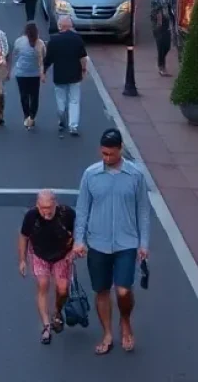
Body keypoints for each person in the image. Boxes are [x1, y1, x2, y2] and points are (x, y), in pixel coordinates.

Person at [74, 128, 151, 355]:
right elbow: (82, 210)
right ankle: (107, 333)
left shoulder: (135, 176)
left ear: (120, 150)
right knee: (102, 290)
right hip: (97, 243)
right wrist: (79, 240)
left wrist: (143, 244)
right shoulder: (90, 174)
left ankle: (125, 321)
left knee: (124, 291)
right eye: (103, 154)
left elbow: (143, 211)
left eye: (111, 154)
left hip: (127, 242)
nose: (106, 158)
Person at [19, 189, 77, 344]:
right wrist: (22, 260)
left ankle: (57, 312)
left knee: (63, 289)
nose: (46, 212)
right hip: (39, 255)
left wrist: (73, 251)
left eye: (49, 208)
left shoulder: (67, 214)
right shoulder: (31, 216)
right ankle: (46, 326)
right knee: (43, 284)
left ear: (55, 204)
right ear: (38, 206)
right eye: (43, 208)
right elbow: (24, 237)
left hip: (61, 255)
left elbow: (78, 232)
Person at [45, 15, 88, 137]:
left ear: (60, 26)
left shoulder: (54, 40)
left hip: (59, 75)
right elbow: (83, 58)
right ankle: (73, 126)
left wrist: (43, 71)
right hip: (75, 75)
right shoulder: (77, 39)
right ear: (70, 26)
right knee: (74, 100)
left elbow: (48, 59)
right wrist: (84, 70)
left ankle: (61, 118)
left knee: (61, 99)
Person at [13, 21, 45, 129]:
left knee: (24, 95)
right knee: (34, 96)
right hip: (35, 74)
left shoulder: (19, 41)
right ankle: (32, 117)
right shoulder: (40, 43)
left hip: (21, 73)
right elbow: (43, 56)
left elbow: (15, 53)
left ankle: (26, 116)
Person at [150, 0, 177, 77]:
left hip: (167, 25)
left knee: (167, 46)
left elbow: (173, 11)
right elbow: (153, 12)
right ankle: (161, 66)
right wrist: (162, 4)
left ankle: (161, 63)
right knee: (160, 46)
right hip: (158, 25)